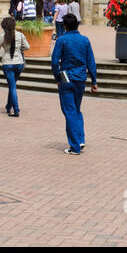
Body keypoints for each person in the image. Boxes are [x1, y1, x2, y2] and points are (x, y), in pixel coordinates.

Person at [51, 13, 98, 154]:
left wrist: (57, 78)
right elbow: (91, 62)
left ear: (64, 26)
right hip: (80, 78)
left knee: (69, 111)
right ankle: (80, 138)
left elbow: (54, 61)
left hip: (66, 76)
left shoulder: (62, 40)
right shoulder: (85, 40)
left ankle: (75, 146)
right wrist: (94, 80)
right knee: (76, 109)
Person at [0, 15, 29, 117]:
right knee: (13, 85)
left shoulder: (2, 37)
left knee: (12, 86)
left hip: (7, 63)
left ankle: (16, 109)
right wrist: (20, 49)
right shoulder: (20, 35)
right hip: (19, 62)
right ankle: (8, 106)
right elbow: (27, 47)